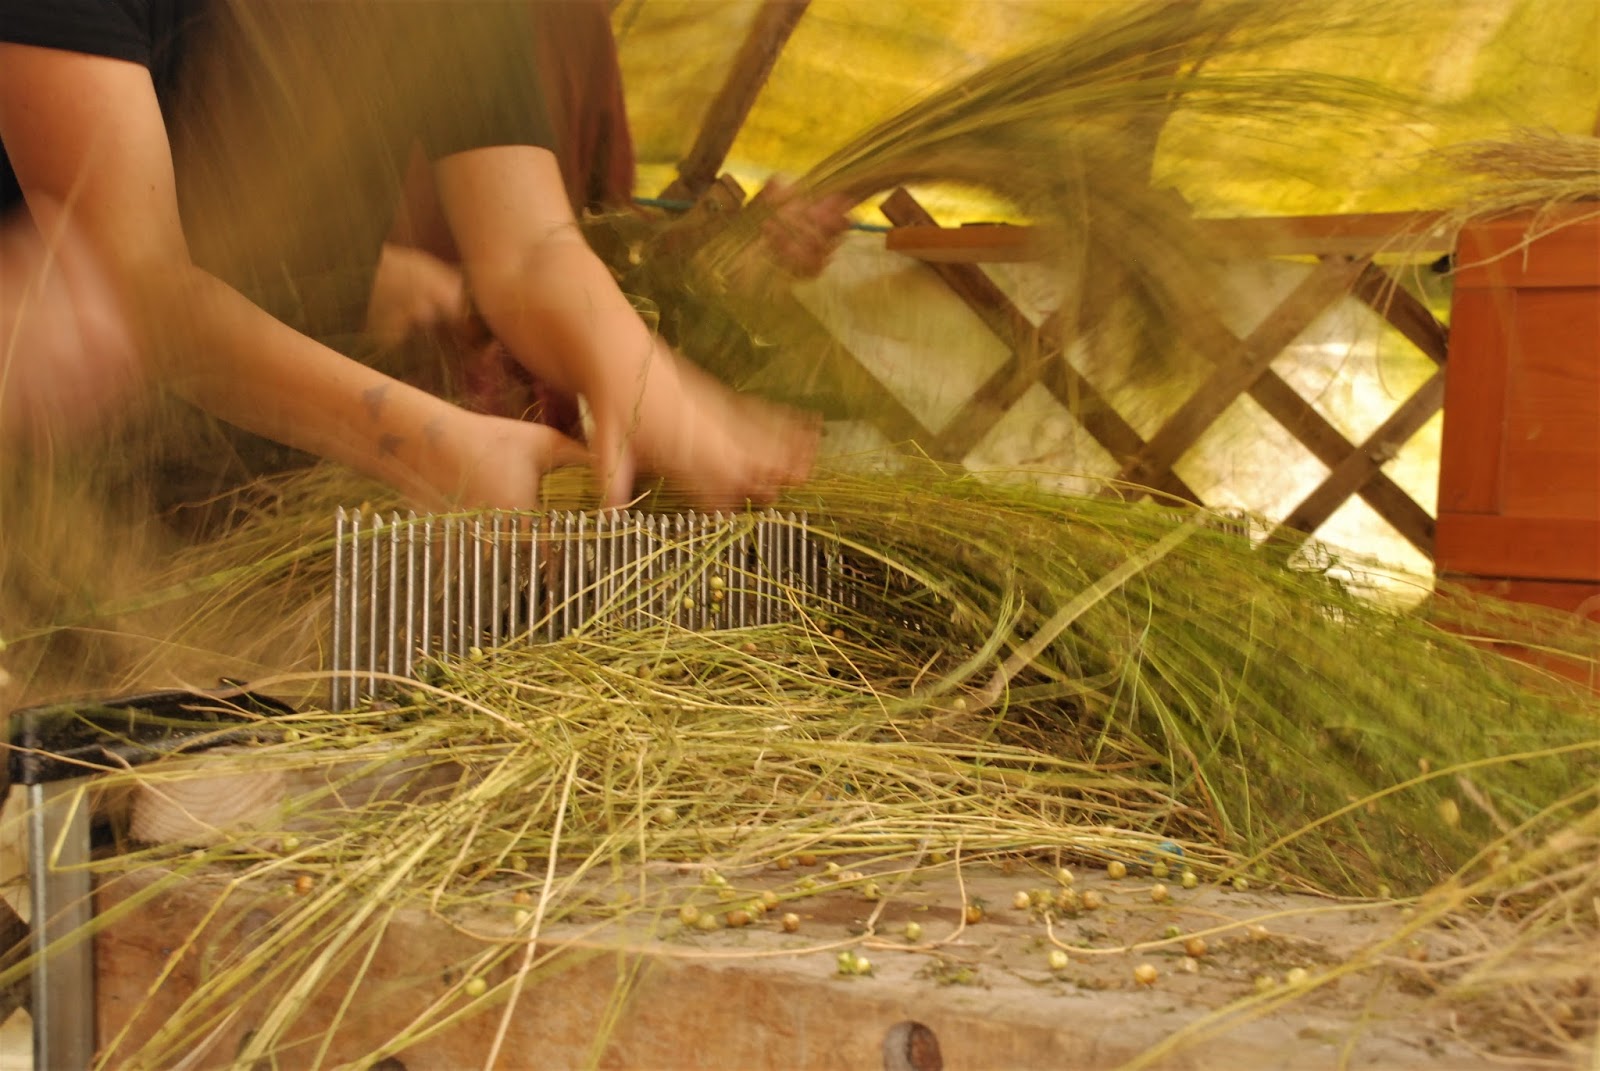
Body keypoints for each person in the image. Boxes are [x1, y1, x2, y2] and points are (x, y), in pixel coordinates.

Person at [0, 1, 817, 511]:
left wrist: (644, 377)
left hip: (287, 506)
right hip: (65, 506)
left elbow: (530, 248)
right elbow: (145, 288)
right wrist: (430, 445)